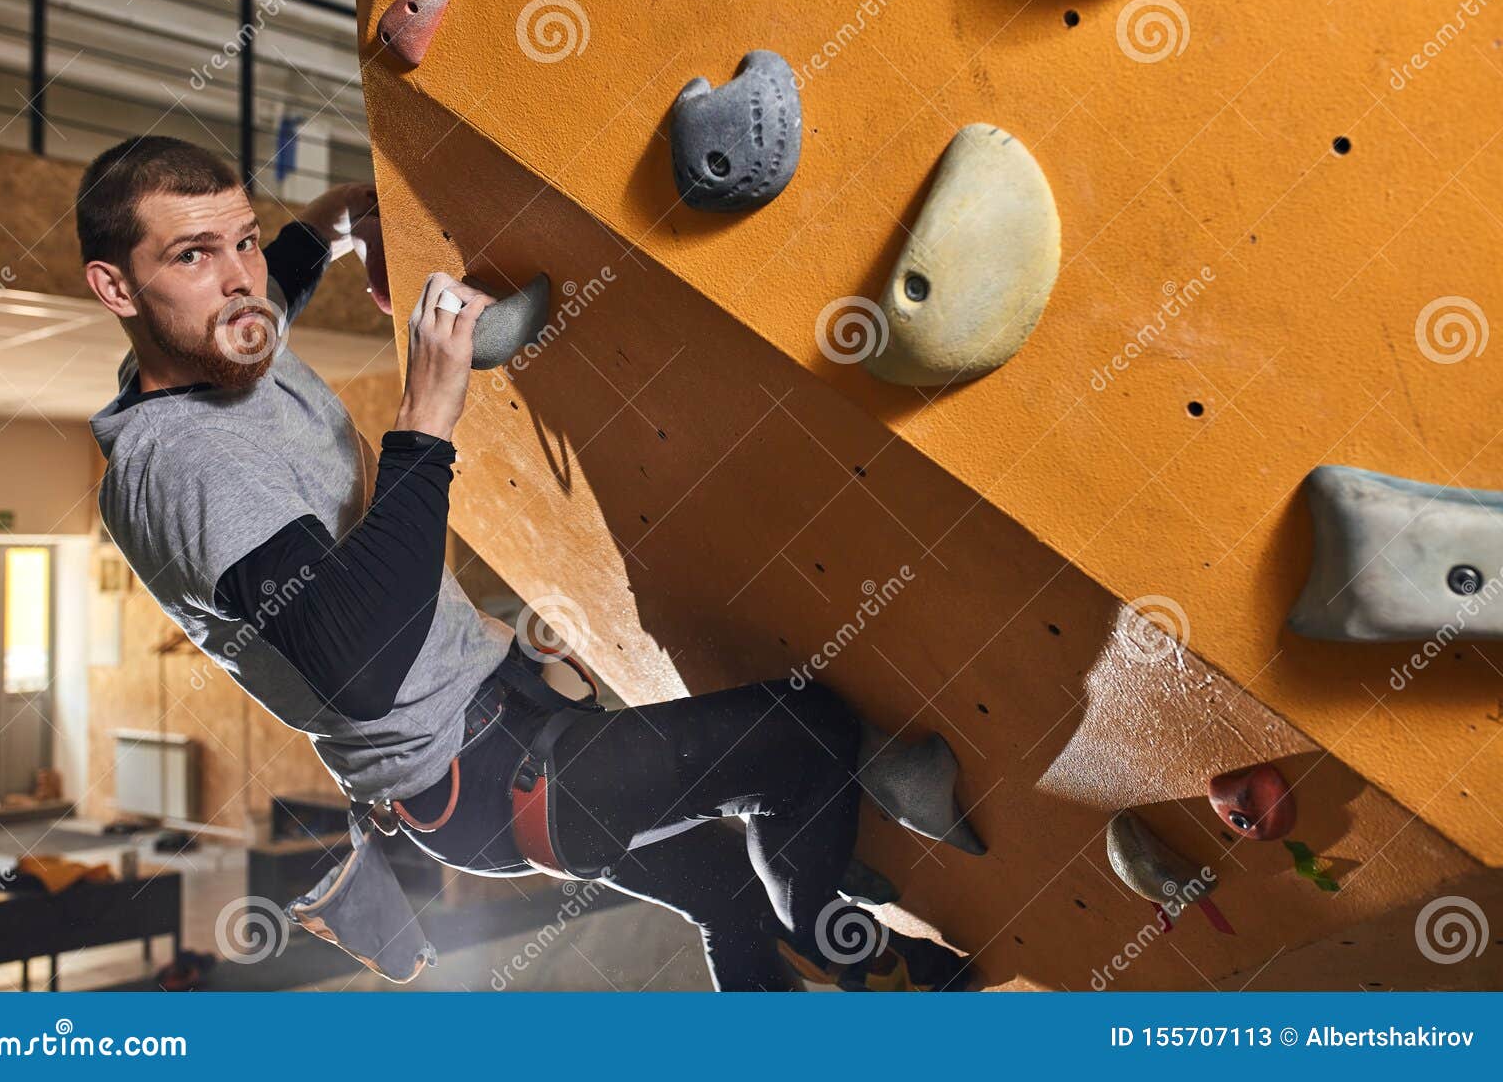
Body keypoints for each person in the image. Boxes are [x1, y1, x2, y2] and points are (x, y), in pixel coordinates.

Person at [83, 134, 980, 991]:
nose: (241, 280)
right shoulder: (184, 467)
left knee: (725, 894)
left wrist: (330, 222)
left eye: (242, 240)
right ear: (114, 288)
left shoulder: (225, 335)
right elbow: (358, 668)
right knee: (807, 730)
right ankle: (835, 943)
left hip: (496, 720)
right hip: (478, 775)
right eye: (195, 256)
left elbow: (270, 283)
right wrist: (426, 415)